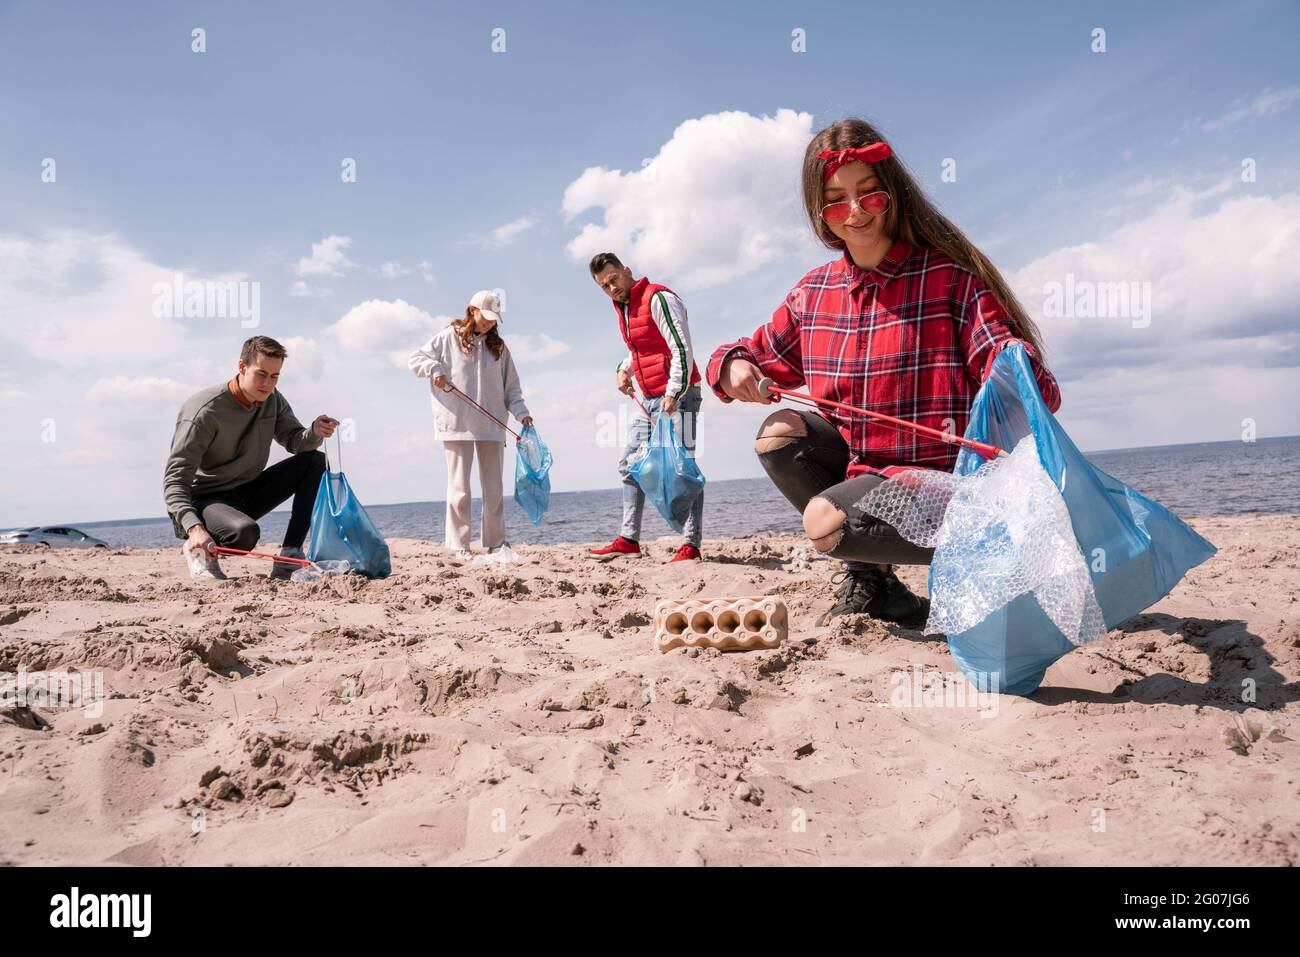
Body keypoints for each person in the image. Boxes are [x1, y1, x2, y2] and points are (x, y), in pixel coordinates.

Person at [708, 118, 1062, 625]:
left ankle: (985, 558)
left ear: (893, 195)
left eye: (869, 194)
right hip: (866, 480)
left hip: (946, 490)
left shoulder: (949, 279)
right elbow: (746, 353)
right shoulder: (813, 293)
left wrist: (1016, 365)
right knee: (777, 432)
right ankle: (874, 585)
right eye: (835, 199)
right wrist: (733, 366)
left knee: (824, 521)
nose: (854, 212)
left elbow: (1015, 373)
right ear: (818, 211)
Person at [164, 335, 338, 580]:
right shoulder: (203, 411)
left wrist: (314, 432)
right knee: (244, 535)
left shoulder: (272, 398)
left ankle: (289, 555)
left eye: (275, 376)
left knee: (315, 462)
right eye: (261, 374)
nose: (268, 383)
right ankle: (200, 549)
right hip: (204, 500)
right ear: (242, 367)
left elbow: (295, 440)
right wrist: (194, 527)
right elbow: (175, 481)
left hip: (244, 491)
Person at [587, 252, 705, 563]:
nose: (611, 288)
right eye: (604, 286)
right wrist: (623, 369)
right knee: (629, 464)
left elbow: (681, 347)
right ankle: (629, 540)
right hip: (649, 398)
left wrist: (674, 392)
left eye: (614, 280)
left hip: (680, 395)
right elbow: (639, 348)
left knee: (683, 469)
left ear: (626, 271)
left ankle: (690, 545)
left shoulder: (659, 298)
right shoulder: (623, 308)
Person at [408, 290, 533, 559]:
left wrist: (522, 414)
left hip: (492, 425)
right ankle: (458, 545)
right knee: (459, 488)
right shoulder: (447, 337)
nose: (489, 323)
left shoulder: (499, 347)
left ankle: (496, 542)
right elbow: (416, 360)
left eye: (493, 319)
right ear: (471, 311)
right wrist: (435, 370)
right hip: (456, 423)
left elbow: (512, 389)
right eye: (485, 317)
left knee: (494, 487)